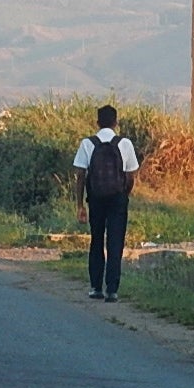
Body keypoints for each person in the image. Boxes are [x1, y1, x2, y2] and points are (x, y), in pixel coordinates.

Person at [73, 103, 140, 303]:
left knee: (96, 240)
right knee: (115, 241)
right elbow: (131, 175)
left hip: (96, 198)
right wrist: (124, 194)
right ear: (116, 122)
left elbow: (80, 175)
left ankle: (95, 287)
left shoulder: (88, 143)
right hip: (118, 198)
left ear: (97, 122)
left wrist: (80, 205)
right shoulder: (124, 143)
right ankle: (112, 289)